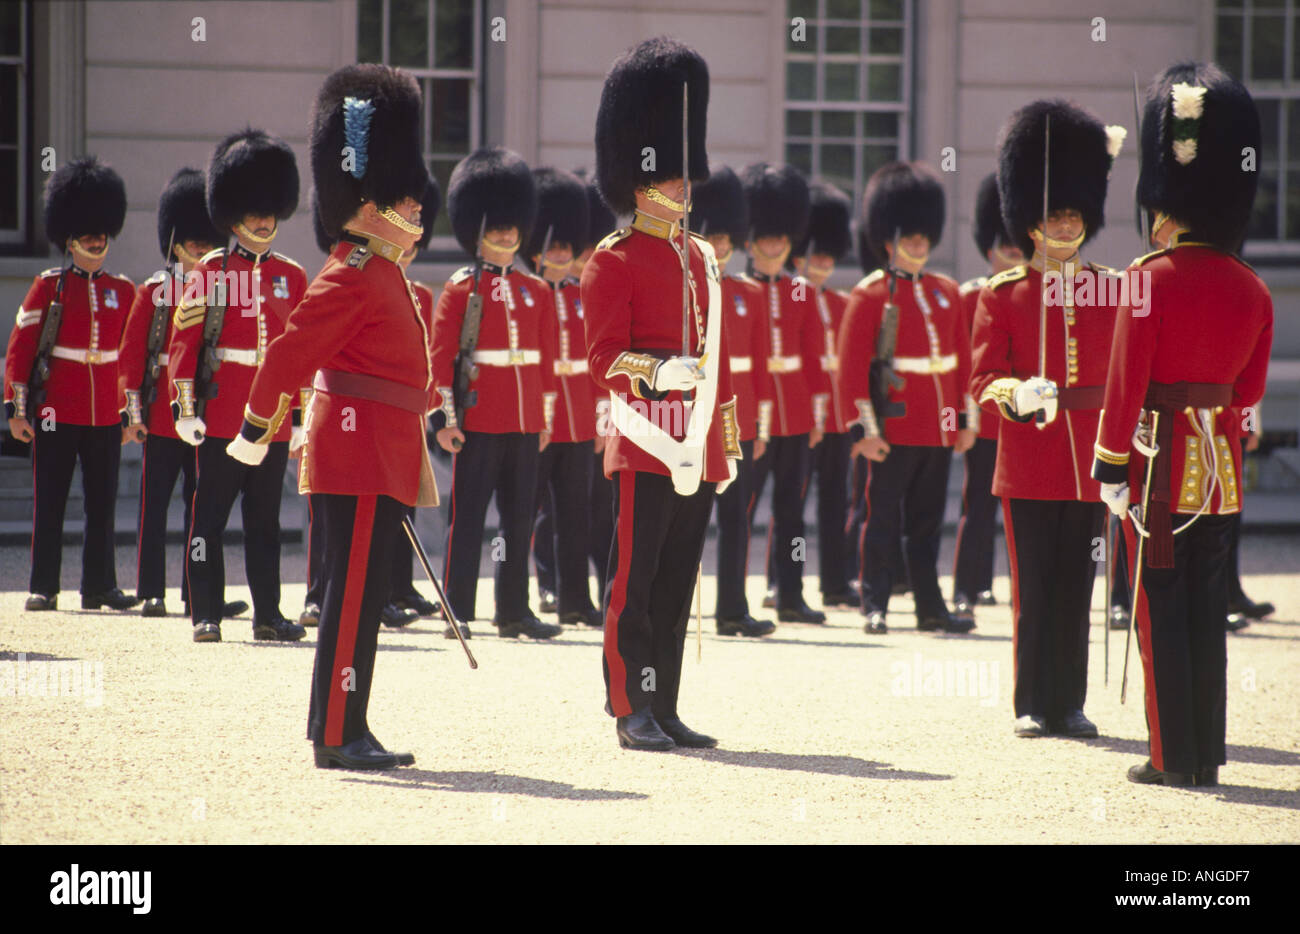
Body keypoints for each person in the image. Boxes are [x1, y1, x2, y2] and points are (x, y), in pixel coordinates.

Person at [227, 63, 438, 770]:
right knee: (350, 599)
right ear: (368, 202)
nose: (415, 215)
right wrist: (258, 429)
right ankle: (338, 733)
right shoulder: (351, 271)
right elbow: (290, 354)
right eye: (404, 204)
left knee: (366, 596)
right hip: (357, 452)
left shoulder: (383, 270)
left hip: (386, 450)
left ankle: (348, 722)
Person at [1093, 63, 1271, 787]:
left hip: (1159, 471)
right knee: (1206, 615)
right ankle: (1210, 754)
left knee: (1159, 613)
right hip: (1222, 472)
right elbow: (1249, 391)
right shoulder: (1253, 287)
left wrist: (1110, 466)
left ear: (1165, 205)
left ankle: (1172, 757)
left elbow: (1124, 384)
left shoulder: (1146, 277)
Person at [584, 35, 739, 750]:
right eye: (671, 177)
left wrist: (725, 443)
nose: (683, 186)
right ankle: (630, 706)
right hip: (647, 441)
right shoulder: (612, 260)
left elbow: (720, 359)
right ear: (636, 179)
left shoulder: (701, 257)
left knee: (677, 588)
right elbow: (603, 359)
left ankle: (665, 704)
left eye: (685, 176)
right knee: (634, 587)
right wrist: (654, 372)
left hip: (698, 441)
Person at [971, 100, 1125, 737]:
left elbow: (1124, 378)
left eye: (1073, 214)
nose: (1064, 224)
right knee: (1033, 589)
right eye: (1054, 215)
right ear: (1031, 225)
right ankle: (1033, 702)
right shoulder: (1002, 294)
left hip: (1090, 456)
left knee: (1077, 588)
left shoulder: (1113, 289)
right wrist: (1018, 392)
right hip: (1031, 457)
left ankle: (1071, 702)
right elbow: (982, 379)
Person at [168, 129, 308, 644]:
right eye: (254, 209)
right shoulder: (212, 269)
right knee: (208, 520)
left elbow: (300, 355)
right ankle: (205, 611)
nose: (264, 219)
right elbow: (185, 341)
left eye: (270, 208)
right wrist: (185, 407)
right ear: (234, 216)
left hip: (269, 419)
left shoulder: (291, 276)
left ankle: (268, 614)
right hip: (224, 413)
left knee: (265, 524)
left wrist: (298, 420)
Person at [838, 161, 975, 635]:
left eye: (923, 235)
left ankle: (930, 607)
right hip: (892, 427)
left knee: (927, 524)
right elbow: (852, 370)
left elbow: (961, 363)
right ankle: (874, 602)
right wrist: (864, 432)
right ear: (888, 237)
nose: (917, 243)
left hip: (936, 428)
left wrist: (965, 420)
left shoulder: (947, 292)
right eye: (908, 235)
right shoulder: (871, 294)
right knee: (880, 522)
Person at [430, 148, 562, 640]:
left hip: (525, 422)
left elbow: (544, 361)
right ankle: (457, 607)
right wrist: (445, 419)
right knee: (468, 521)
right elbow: (441, 357)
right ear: (477, 228)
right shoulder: (463, 288)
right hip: (479, 420)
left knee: (517, 522)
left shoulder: (536, 291)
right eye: (497, 226)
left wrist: (544, 418)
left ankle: (512, 609)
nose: (507, 234)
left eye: (511, 225)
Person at [4, 156, 138, 613]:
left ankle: (99, 586)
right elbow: (21, 350)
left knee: (102, 506)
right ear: (69, 237)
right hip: (57, 409)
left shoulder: (123, 290)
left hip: (104, 411)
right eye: (87, 232)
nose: (96, 239)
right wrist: (17, 410)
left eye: (101, 232)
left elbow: (130, 357)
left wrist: (130, 414)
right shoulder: (48, 285)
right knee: (52, 502)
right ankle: (44, 585)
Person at [119, 167, 250, 621]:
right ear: (175, 244)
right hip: (161, 414)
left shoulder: (224, 286)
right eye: (195, 244)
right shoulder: (155, 291)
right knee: (155, 505)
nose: (202, 251)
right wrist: (132, 413)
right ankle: (152, 589)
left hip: (206, 414)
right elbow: (132, 357)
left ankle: (201, 595)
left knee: (203, 513)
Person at [741, 162, 829, 625]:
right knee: (743, 509)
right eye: (765, 238)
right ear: (751, 241)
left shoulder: (800, 292)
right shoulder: (737, 289)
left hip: (795, 414)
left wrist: (816, 415)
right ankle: (733, 597)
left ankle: (789, 593)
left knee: (792, 512)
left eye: (780, 239)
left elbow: (814, 356)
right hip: (753, 413)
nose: (773, 246)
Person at [690, 165, 775, 637]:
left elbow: (759, 368)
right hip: (695, 418)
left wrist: (758, 427)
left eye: (726, 241)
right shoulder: (688, 289)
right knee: (686, 521)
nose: (720, 249)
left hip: (736, 422)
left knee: (737, 519)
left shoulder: (749, 294)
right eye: (713, 239)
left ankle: (731, 608)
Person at [524, 167, 602, 628]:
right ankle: (533, 591)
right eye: (552, 246)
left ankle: (577, 598)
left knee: (576, 513)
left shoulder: (581, 294)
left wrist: (599, 420)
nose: (560, 254)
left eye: (565, 247)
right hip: (538, 417)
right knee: (529, 513)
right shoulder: (530, 293)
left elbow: (595, 360)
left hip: (578, 419)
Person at [950, 173, 1021, 623]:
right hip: (986, 420)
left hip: (1027, 419)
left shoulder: (1031, 293)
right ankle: (966, 590)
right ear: (989, 248)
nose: (1011, 254)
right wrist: (966, 421)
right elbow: (964, 362)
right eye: (1005, 247)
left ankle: (1022, 591)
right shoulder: (972, 295)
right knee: (977, 509)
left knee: (1023, 516)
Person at [790, 180, 855, 609]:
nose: (823, 264)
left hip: (836, 418)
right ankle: (784, 581)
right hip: (799, 416)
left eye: (828, 257)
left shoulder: (840, 301)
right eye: (816, 256)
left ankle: (835, 582)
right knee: (793, 505)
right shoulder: (791, 298)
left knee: (836, 503)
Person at [572, 170, 619, 607]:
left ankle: (598, 592)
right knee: (567, 511)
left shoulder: (604, 282)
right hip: (568, 410)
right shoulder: (562, 293)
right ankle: (558, 588)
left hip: (603, 409)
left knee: (604, 509)